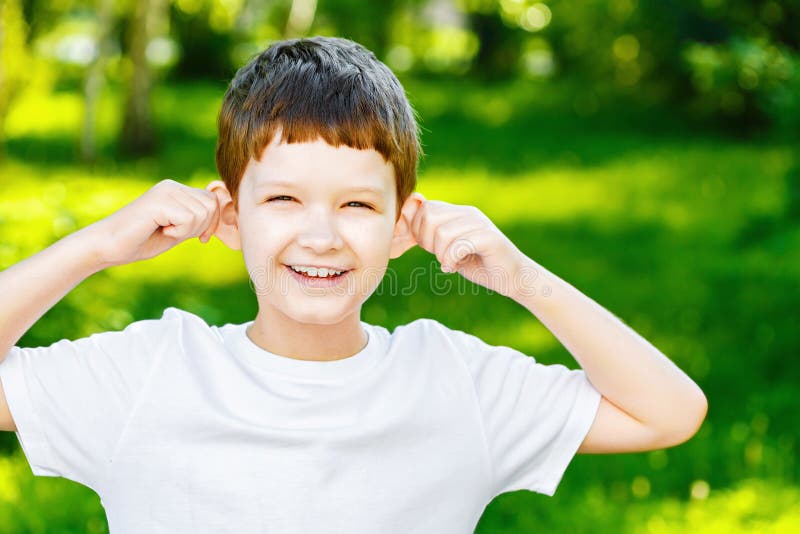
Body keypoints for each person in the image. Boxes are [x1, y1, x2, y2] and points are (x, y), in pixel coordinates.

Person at [0, 36, 707, 533]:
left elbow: (668, 413)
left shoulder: (453, 381)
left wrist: (522, 279)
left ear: (402, 227)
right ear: (230, 217)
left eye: (357, 205)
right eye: (283, 200)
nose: (321, 236)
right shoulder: (148, 373)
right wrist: (94, 248)